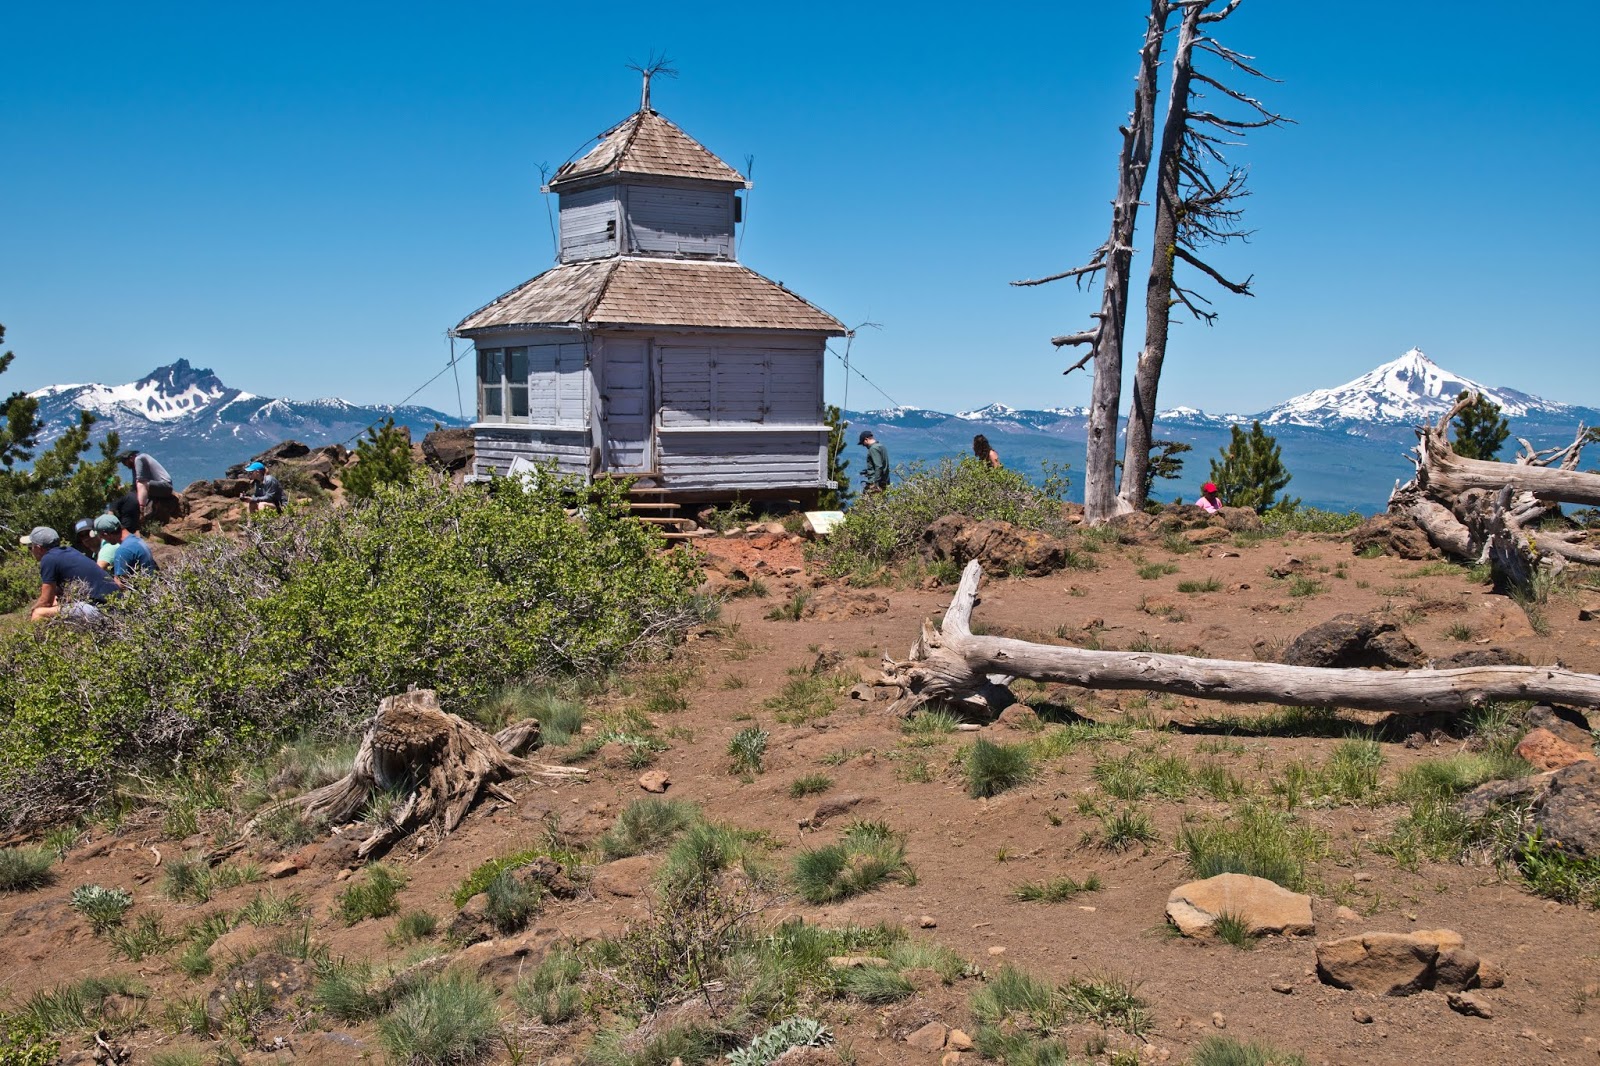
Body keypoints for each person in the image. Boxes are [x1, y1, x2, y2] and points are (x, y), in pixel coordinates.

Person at [22, 526, 118, 621]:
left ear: (39, 548)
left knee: (39, 613)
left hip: (102, 610)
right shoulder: (69, 551)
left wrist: (32, 610)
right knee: (57, 603)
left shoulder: (49, 559)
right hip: (116, 605)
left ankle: (37, 636)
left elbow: (46, 602)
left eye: (31, 547)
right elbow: (55, 596)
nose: (31, 551)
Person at [93, 514, 157, 588]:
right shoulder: (137, 540)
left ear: (106, 534)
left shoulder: (123, 551)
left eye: (101, 536)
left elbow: (121, 584)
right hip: (153, 588)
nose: (103, 539)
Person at [119, 449, 182, 523]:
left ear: (131, 457)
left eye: (124, 461)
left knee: (142, 484)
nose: (124, 464)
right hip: (159, 488)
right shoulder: (134, 467)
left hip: (165, 486)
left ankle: (141, 510)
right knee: (137, 488)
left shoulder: (139, 459)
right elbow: (134, 486)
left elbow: (140, 482)